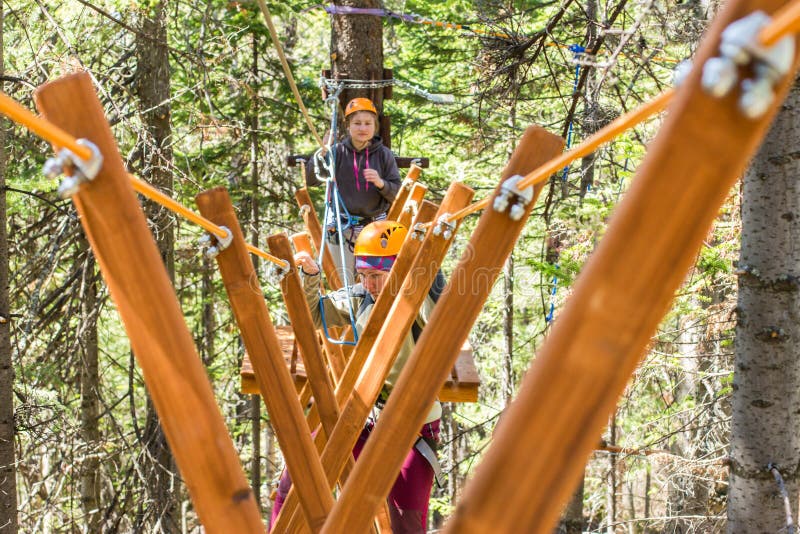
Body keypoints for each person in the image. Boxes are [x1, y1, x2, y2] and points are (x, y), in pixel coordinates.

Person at [270, 221, 441, 533]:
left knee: (406, 523)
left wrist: (425, 252)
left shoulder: (420, 300)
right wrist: (309, 277)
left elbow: (441, 319)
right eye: (363, 276)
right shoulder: (362, 297)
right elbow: (313, 314)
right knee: (299, 472)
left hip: (412, 427)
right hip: (366, 418)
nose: (369, 284)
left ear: (400, 268)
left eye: (375, 276)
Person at [305, 97, 402, 285]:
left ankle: (372, 314)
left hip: (375, 227)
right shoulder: (337, 152)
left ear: (375, 127)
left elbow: (397, 192)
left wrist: (381, 183)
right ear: (348, 126)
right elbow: (312, 180)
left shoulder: (384, 155)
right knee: (342, 284)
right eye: (357, 123)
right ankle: (347, 314)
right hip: (342, 228)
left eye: (368, 123)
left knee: (376, 282)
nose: (362, 128)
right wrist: (323, 152)